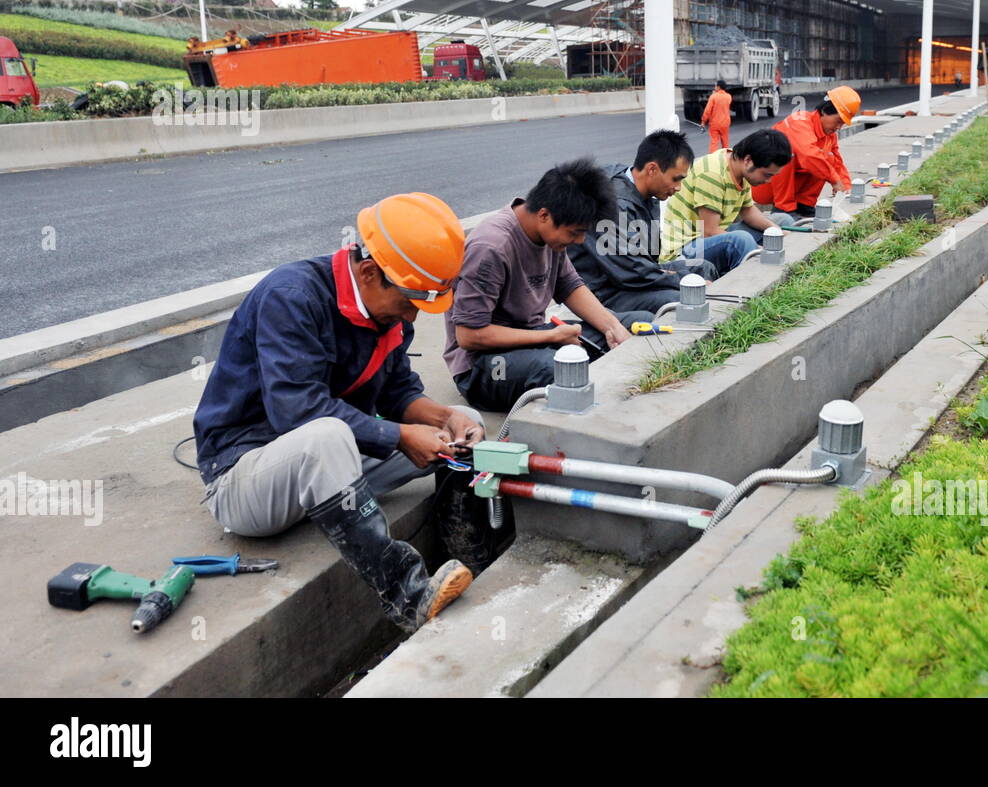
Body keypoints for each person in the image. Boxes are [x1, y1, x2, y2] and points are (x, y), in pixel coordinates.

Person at [193, 193, 482, 634]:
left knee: (465, 421)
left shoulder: (388, 313)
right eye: (409, 304)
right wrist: (402, 436)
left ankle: (470, 548)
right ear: (369, 273)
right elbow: (297, 411)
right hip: (244, 480)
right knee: (327, 435)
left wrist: (445, 420)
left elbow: (397, 392)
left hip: (323, 467)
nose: (412, 317)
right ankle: (406, 594)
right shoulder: (291, 298)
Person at [444, 158, 650, 413]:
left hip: (533, 339)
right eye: (574, 232)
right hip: (483, 367)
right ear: (544, 215)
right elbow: (469, 335)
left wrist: (613, 327)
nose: (580, 240)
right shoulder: (492, 246)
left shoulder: (551, 237)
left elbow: (570, 286)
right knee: (559, 369)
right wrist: (551, 336)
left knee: (638, 324)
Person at [568, 130, 717, 316]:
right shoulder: (613, 203)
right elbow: (630, 270)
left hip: (633, 274)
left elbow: (646, 260)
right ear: (652, 169)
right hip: (606, 290)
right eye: (675, 179)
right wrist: (679, 279)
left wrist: (675, 276)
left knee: (702, 268)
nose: (678, 187)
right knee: (685, 297)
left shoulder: (638, 186)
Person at [660, 129, 794, 278]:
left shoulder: (739, 167)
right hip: (686, 247)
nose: (768, 181)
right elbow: (709, 231)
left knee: (782, 221)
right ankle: (751, 286)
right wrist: (760, 250)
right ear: (748, 160)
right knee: (742, 241)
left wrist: (776, 230)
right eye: (767, 174)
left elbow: (748, 211)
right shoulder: (713, 174)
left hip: (712, 234)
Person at [751, 86, 858, 218]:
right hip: (763, 184)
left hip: (792, 184)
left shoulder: (830, 137)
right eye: (838, 121)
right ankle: (783, 209)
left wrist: (846, 188)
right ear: (825, 111)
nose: (838, 127)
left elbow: (837, 163)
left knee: (826, 159)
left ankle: (804, 205)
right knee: (791, 154)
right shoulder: (799, 121)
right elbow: (808, 154)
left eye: (842, 124)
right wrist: (834, 180)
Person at [700, 79, 733, 152]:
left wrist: (703, 122)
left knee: (714, 142)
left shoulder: (713, 97)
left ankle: (712, 159)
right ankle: (726, 157)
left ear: (718, 87)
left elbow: (707, 110)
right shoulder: (729, 97)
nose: (714, 87)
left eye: (715, 86)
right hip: (725, 123)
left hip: (715, 123)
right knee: (725, 142)